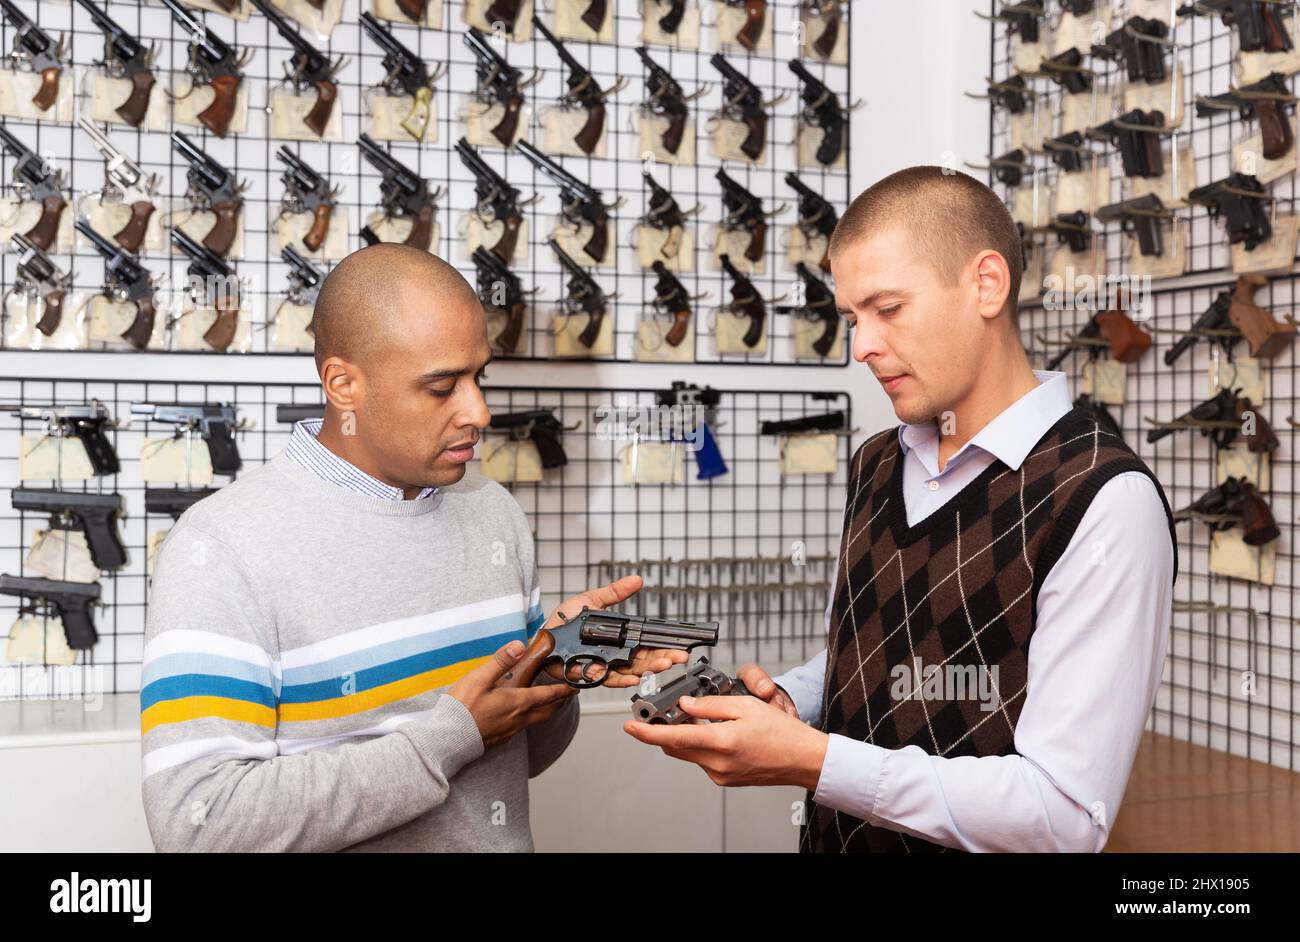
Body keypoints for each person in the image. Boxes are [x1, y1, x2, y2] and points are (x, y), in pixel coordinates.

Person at [626, 167, 1178, 853]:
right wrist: (797, 703)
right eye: (853, 319)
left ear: (986, 284)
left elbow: (1061, 816)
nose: (861, 347)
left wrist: (811, 759)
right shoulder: (878, 460)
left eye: (888, 310)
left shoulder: (1103, 500)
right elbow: (874, 656)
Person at [140, 244, 681, 852]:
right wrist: (450, 735)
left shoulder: (493, 510)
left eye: (480, 378)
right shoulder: (220, 548)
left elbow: (521, 761)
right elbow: (200, 826)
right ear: (343, 384)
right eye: (441, 386)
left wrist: (552, 670)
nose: (479, 411)